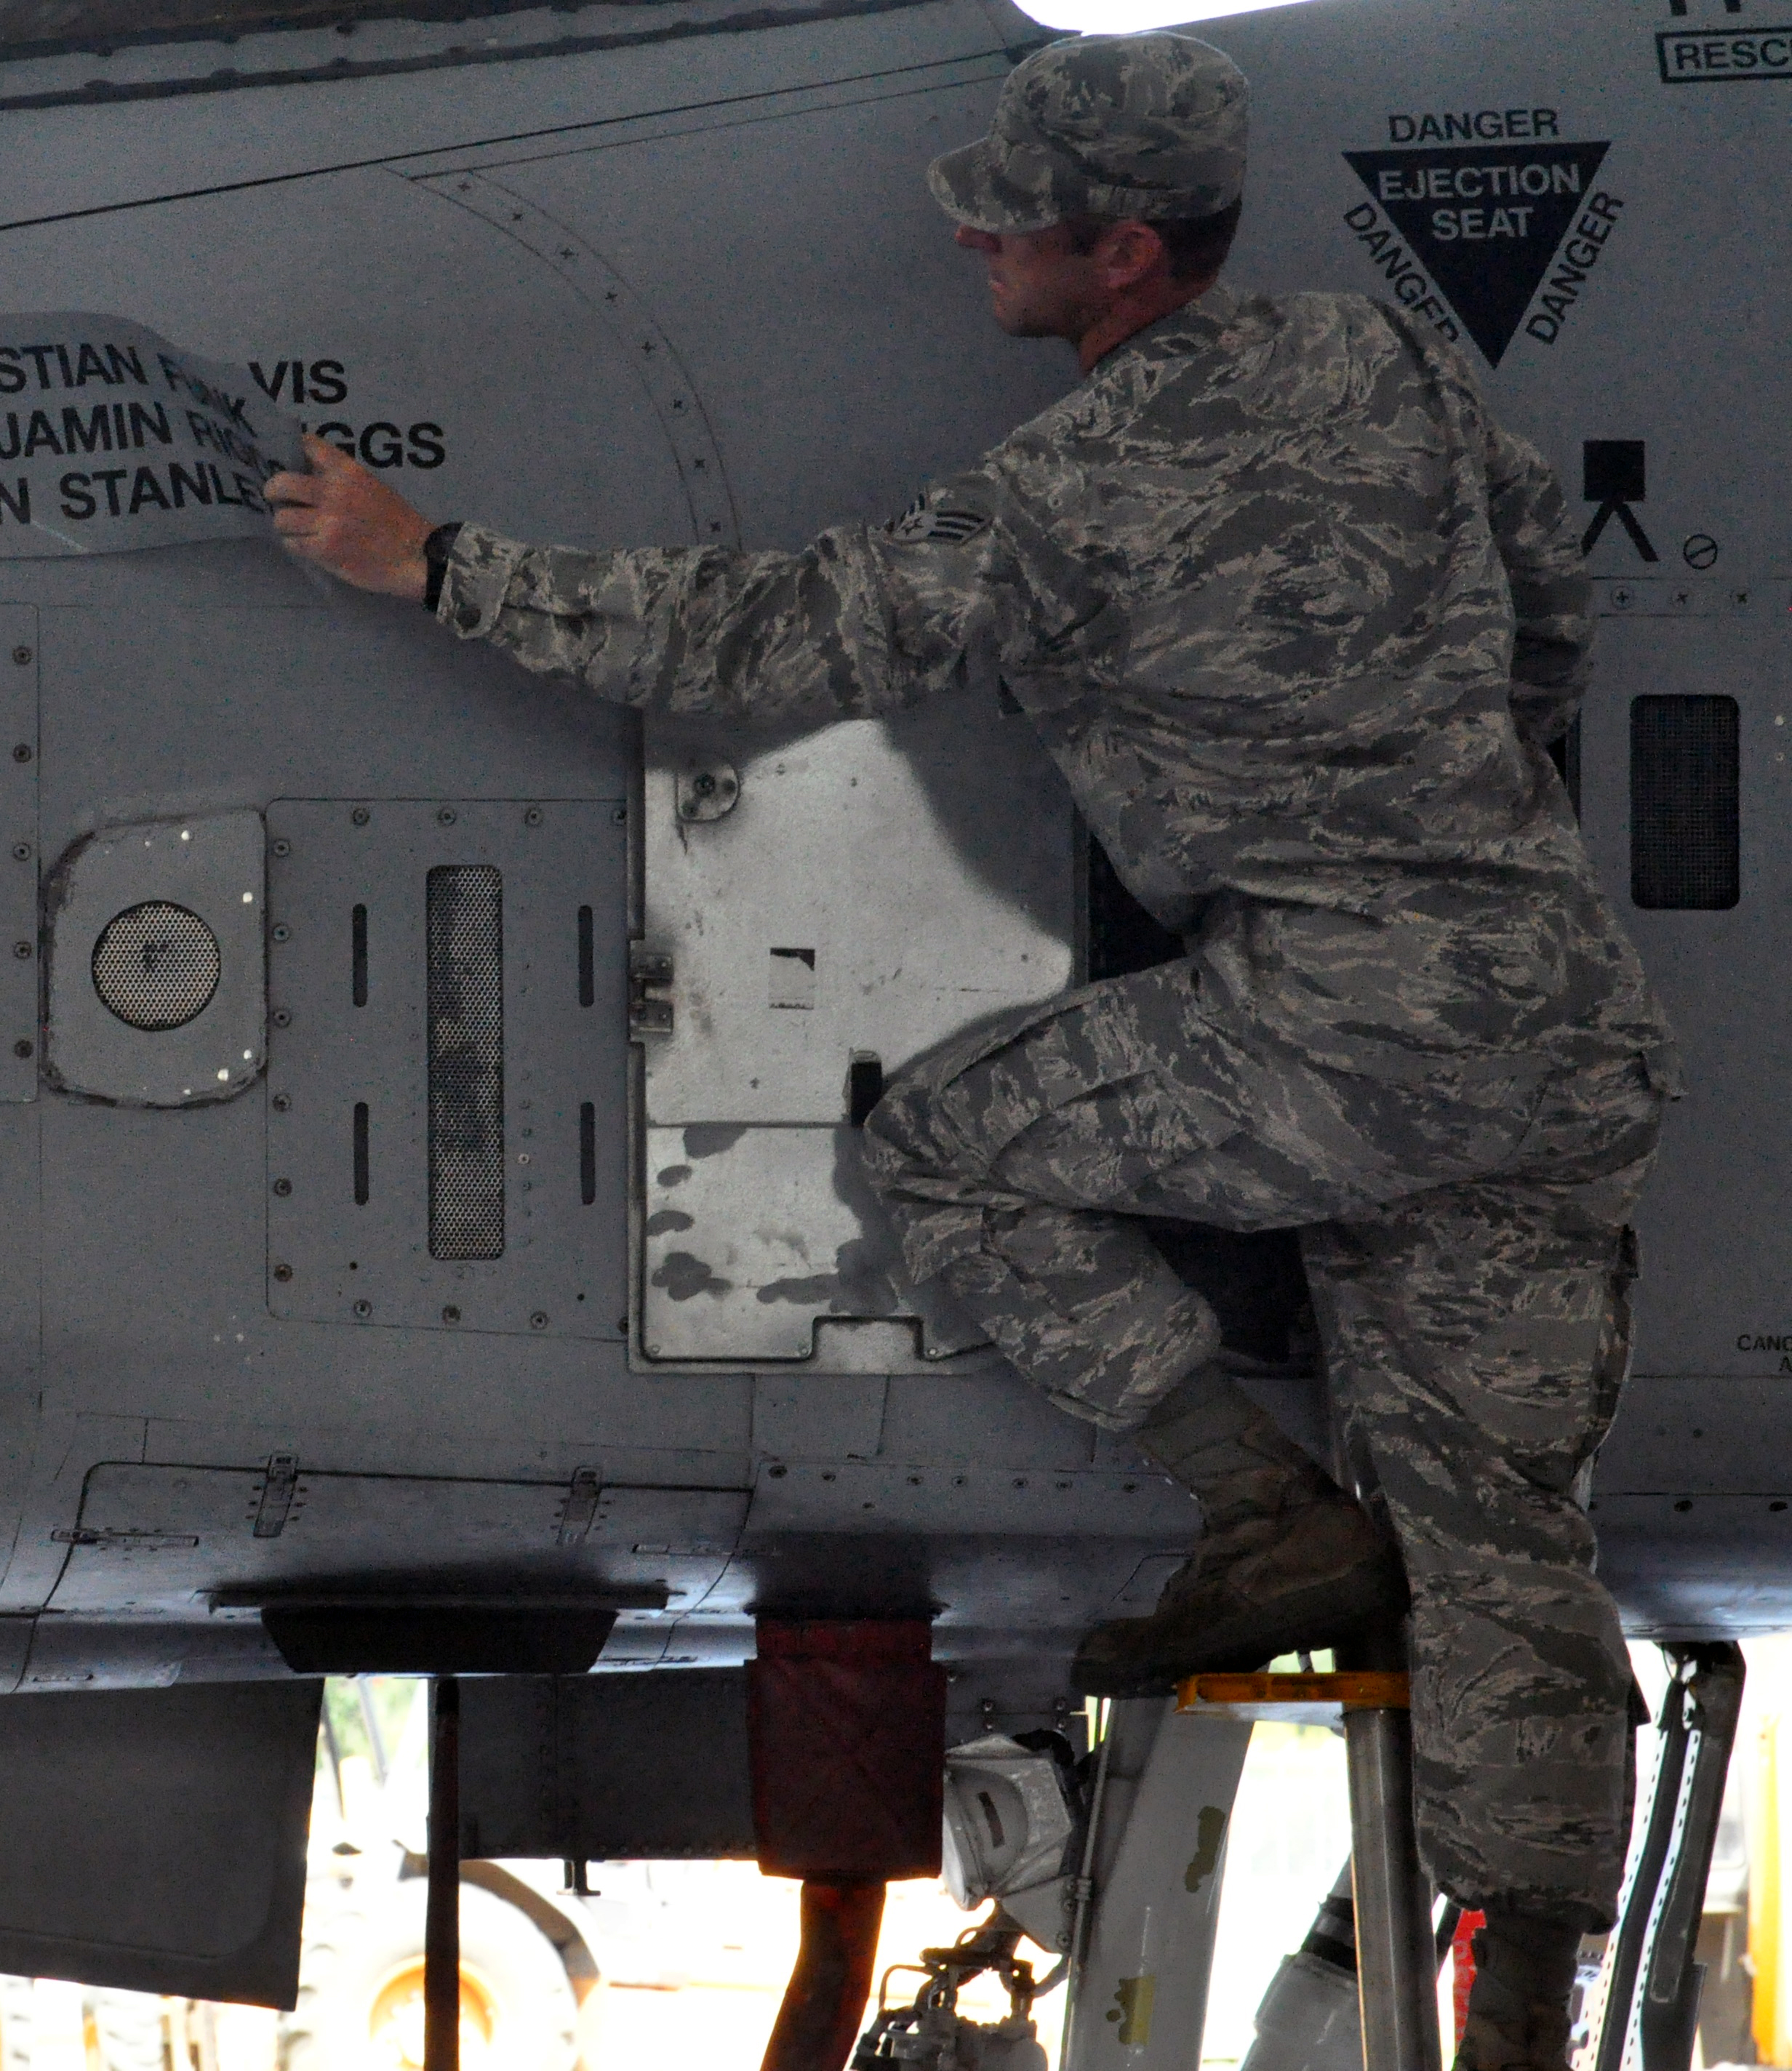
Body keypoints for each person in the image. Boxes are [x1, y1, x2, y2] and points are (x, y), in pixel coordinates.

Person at [265, 31, 1677, 2071]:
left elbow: (774, 640)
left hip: (1334, 1020)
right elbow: (1550, 613)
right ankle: (1528, 2013)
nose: (967, 238)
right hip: (1553, 1018)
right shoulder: (1393, 365)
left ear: (1120, 252)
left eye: (1006, 217)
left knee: (936, 1154)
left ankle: (1261, 1509)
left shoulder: (1072, 487)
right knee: (1509, 1541)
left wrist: (436, 567)